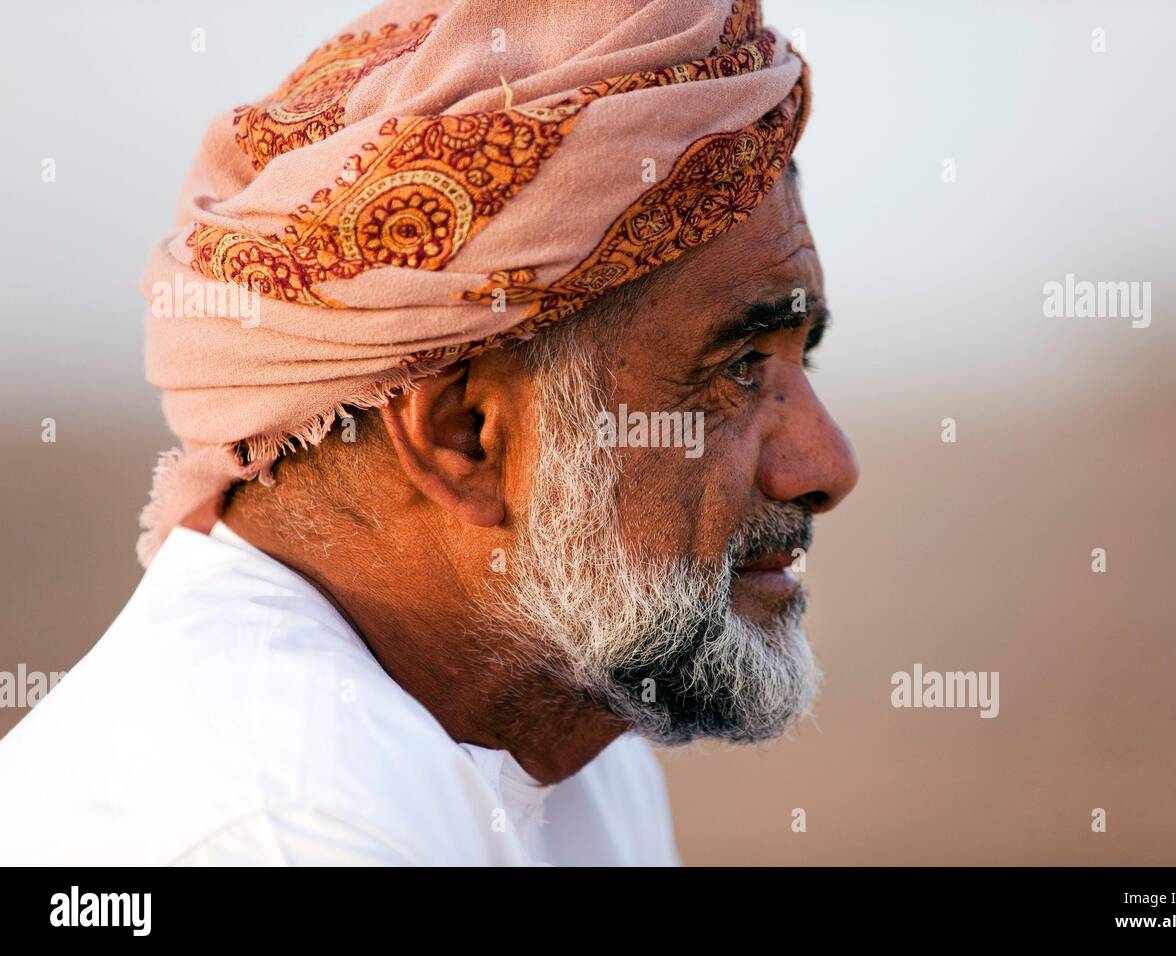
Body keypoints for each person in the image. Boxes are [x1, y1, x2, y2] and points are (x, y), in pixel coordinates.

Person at [0, 0, 857, 865]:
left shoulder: (572, 750)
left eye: (800, 360)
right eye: (740, 367)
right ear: (466, 434)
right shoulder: (280, 829)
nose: (827, 465)